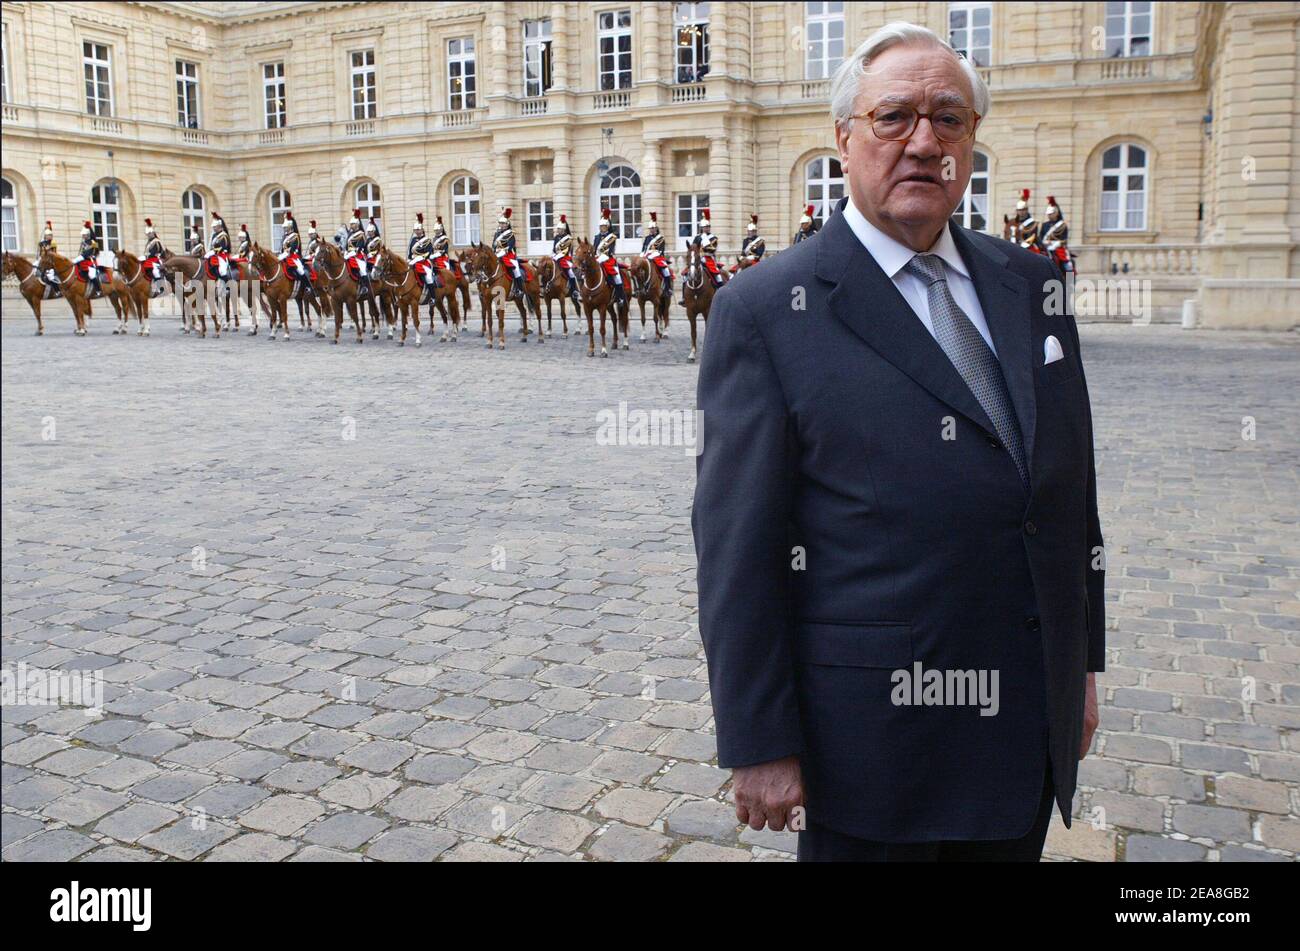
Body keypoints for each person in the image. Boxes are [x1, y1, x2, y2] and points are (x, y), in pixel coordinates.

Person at [693, 21, 1104, 862]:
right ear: (844, 138)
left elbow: (1072, 494)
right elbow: (739, 546)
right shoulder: (766, 310)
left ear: (972, 140)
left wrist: (1081, 665)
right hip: (876, 757)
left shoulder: (1032, 285)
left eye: (948, 118)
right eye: (894, 118)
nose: (925, 142)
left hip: (1025, 730)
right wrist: (758, 734)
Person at [492, 207, 525, 301]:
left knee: (516, 270)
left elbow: (510, 246)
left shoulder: (510, 234)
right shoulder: (497, 234)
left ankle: (519, 289)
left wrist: (502, 252)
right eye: (500, 223)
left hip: (509, 256)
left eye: (503, 224)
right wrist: (494, 251)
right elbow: (493, 244)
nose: (501, 225)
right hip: (498, 254)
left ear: (507, 224)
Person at [408, 212, 442, 303]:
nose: (417, 232)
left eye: (418, 230)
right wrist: (409, 258)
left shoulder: (427, 240)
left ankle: (433, 298)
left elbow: (429, 253)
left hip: (424, 262)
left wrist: (419, 258)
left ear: (422, 230)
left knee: (428, 277)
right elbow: (410, 251)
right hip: (413, 262)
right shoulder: (413, 240)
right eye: (415, 230)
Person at [594, 207, 625, 306]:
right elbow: (595, 249)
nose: (601, 228)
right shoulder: (597, 237)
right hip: (597, 258)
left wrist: (601, 258)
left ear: (607, 227)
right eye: (600, 226)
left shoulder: (612, 237)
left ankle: (620, 297)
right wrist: (595, 256)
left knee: (617, 278)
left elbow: (610, 250)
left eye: (603, 226)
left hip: (608, 259)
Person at [640, 211, 673, 298]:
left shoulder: (661, 238)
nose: (651, 230)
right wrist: (642, 256)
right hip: (646, 257)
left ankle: (668, 288)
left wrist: (650, 256)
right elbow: (643, 249)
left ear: (656, 229)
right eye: (650, 228)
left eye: (653, 228)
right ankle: (640, 289)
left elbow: (660, 251)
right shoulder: (647, 238)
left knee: (666, 271)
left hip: (657, 257)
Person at [552, 214, 582, 307]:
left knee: (571, 274)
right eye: (558, 229)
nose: (558, 231)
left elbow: (567, 251)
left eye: (560, 229)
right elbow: (554, 248)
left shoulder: (568, 238)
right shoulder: (556, 237)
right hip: (556, 258)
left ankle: (576, 291)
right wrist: (553, 255)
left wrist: (558, 256)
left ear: (564, 230)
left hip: (566, 259)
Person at [691, 208, 723, 288]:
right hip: (698, 258)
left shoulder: (713, 238)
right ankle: (684, 297)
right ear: (701, 228)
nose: (707, 228)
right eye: (705, 227)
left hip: (709, 258)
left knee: (718, 276)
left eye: (708, 227)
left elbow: (712, 249)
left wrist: (703, 248)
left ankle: (719, 289)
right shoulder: (697, 237)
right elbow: (693, 248)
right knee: (686, 274)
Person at [344, 208, 372, 299]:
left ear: (357, 224)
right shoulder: (350, 233)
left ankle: (364, 286)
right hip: (348, 253)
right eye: (351, 224)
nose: (351, 225)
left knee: (362, 269)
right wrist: (345, 251)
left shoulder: (361, 233)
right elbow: (346, 244)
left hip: (358, 255)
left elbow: (361, 245)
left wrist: (354, 251)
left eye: (353, 224)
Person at [1041, 195, 1073, 274]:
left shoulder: (1062, 225)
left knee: (1068, 266)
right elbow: (1040, 236)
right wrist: (1044, 243)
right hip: (1045, 248)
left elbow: (1064, 240)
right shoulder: (1044, 225)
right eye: (1048, 214)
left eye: (1051, 213)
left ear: (1056, 213)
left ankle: (1070, 285)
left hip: (1058, 248)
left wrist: (1053, 244)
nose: (1049, 215)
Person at [74, 221, 104, 299]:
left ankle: (98, 291)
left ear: (88, 234)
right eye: (82, 235)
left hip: (90, 262)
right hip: (83, 261)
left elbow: (87, 254)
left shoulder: (92, 242)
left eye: (84, 235)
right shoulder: (84, 242)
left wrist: (77, 259)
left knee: (92, 275)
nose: (83, 236)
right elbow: (82, 252)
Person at [143, 218, 167, 288]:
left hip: (156, 259)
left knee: (155, 272)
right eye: (147, 234)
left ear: (153, 233)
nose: (148, 235)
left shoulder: (156, 241)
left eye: (149, 234)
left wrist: (148, 255)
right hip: (149, 260)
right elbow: (146, 252)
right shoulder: (149, 242)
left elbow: (155, 251)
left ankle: (161, 287)